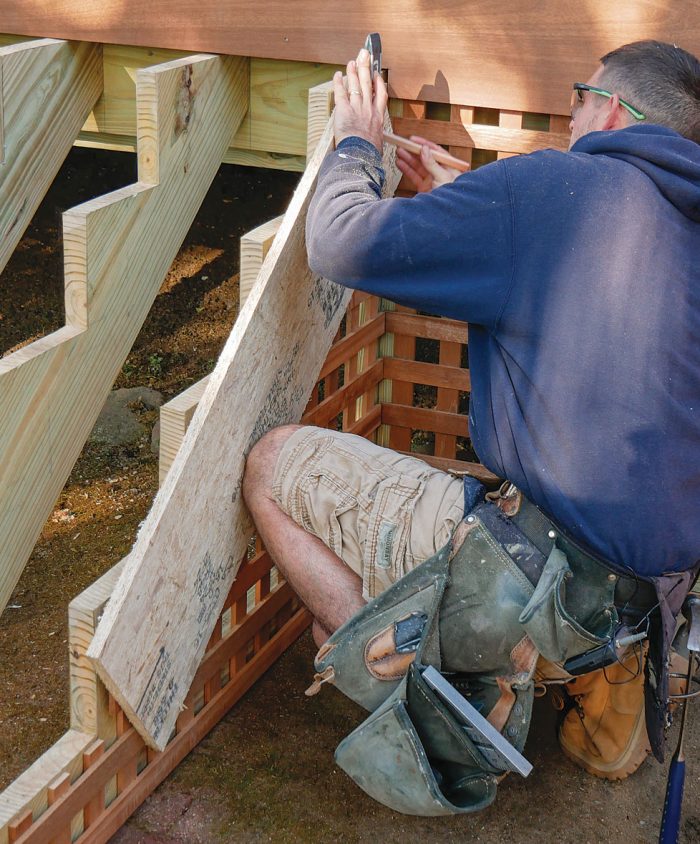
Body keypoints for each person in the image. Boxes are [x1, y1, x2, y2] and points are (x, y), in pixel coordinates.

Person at [242, 40, 700, 811]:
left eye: (578, 101)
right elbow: (587, 278)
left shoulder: (553, 187)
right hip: (654, 596)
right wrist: (477, 200)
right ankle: (603, 692)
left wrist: (355, 138)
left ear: (614, 110)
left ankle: (422, 692)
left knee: (271, 464)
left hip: (536, 572)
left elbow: (339, 240)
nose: (570, 120)